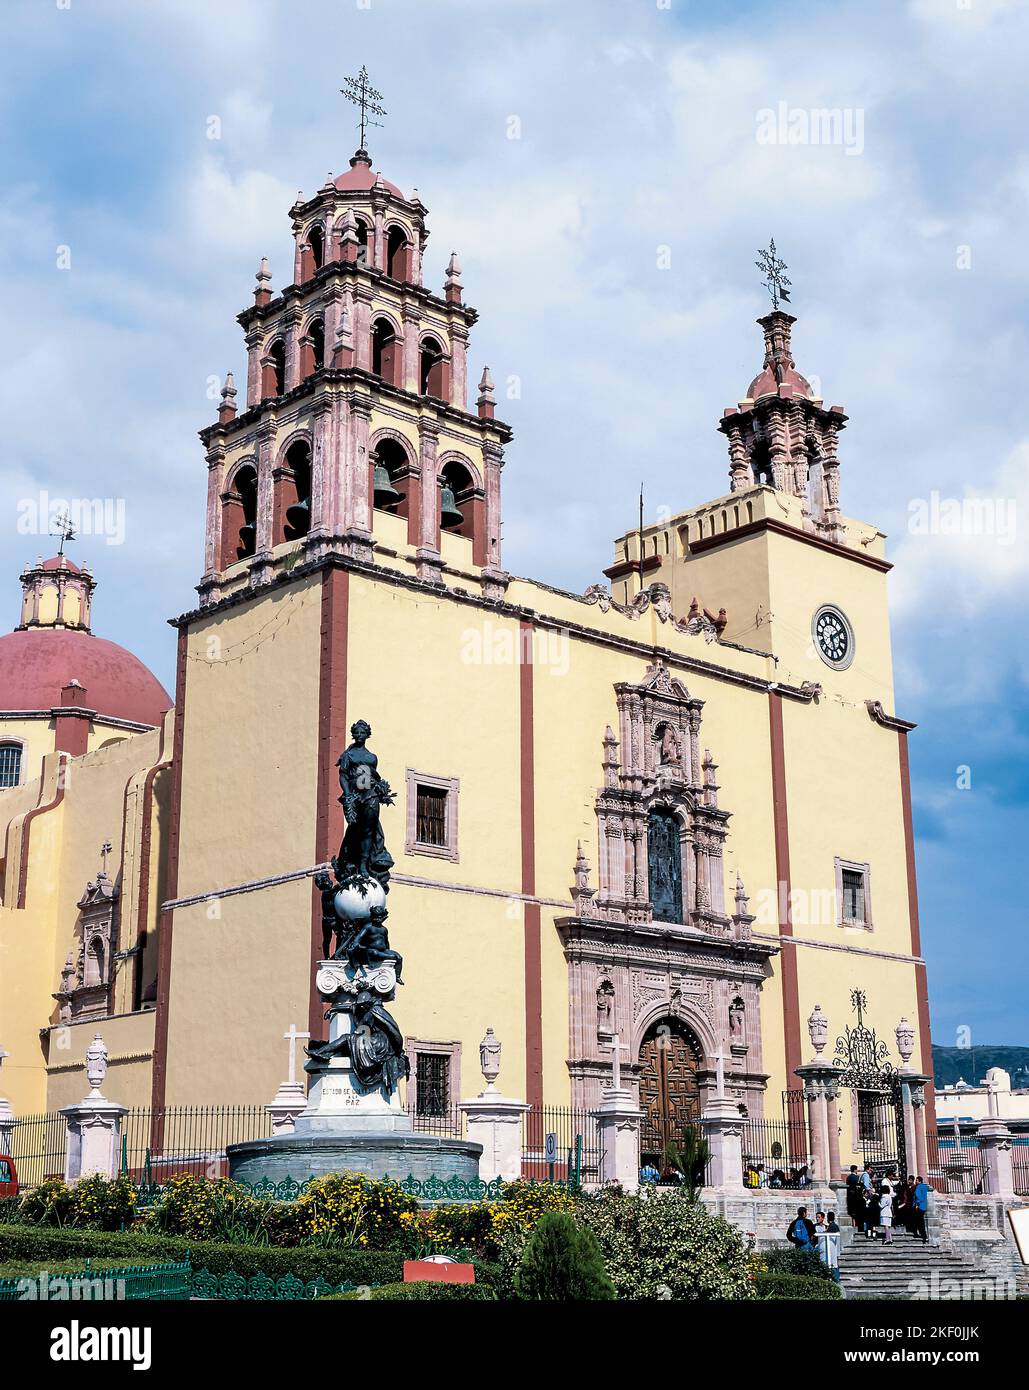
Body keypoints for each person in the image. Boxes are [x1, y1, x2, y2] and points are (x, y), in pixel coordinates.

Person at [911, 1175, 931, 1244]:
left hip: (919, 1206)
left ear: (919, 1181)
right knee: (920, 1221)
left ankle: (922, 1235)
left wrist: (917, 1204)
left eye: (916, 1180)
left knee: (919, 1222)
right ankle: (923, 1235)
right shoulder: (925, 1187)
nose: (915, 1182)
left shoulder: (918, 1187)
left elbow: (918, 1195)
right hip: (923, 1206)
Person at [878, 1173, 895, 1244]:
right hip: (889, 1212)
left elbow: (881, 1205)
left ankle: (887, 1239)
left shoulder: (884, 1196)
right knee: (889, 1227)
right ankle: (890, 1238)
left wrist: (878, 1202)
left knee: (886, 1227)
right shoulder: (889, 1196)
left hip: (884, 1213)